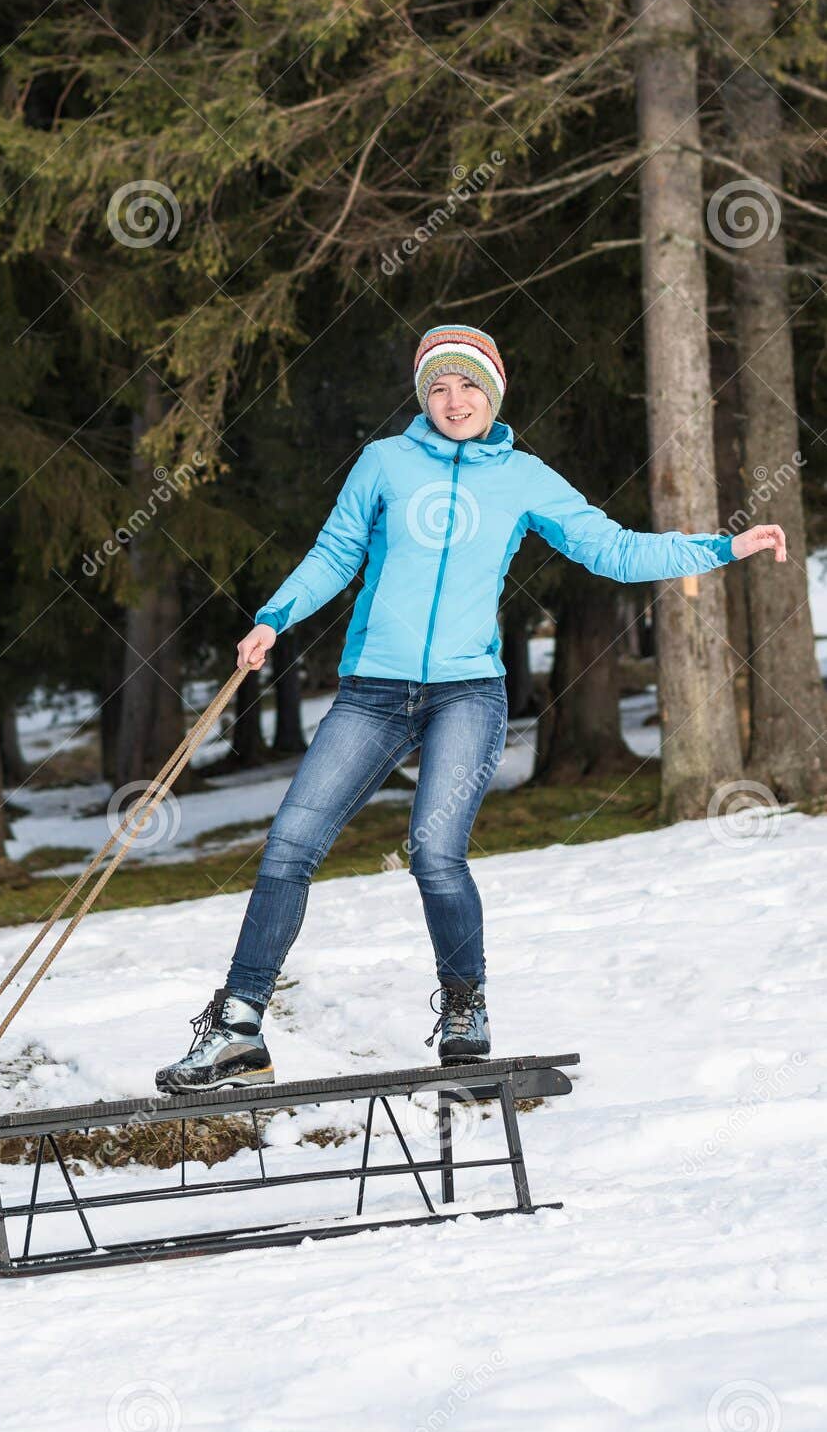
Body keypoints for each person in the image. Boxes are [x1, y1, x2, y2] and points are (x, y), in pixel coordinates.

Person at [155, 324, 786, 1093]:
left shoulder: (522, 478)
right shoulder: (383, 463)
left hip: (465, 694)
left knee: (433, 852)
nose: (454, 401)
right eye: (439, 388)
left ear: (494, 394)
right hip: (373, 693)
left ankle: (463, 1005)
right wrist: (272, 617)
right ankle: (238, 1028)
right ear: (424, 398)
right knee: (289, 844)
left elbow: (612, 548)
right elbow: (334, 552)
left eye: (468, 385)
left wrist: (721, 548)